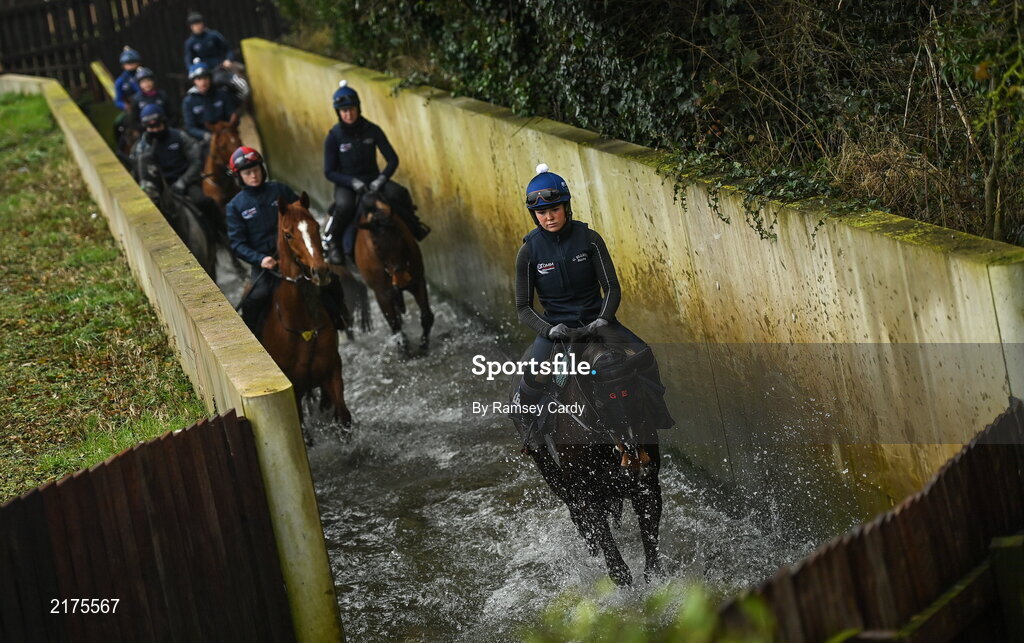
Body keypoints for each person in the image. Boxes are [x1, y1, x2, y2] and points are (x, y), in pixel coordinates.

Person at [512, 163, 674, 429]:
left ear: (566, 207)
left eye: (554, 209)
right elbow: (523, 308)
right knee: (531, 379)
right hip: (557, 331)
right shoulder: (529, 252)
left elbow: (612, 287)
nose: (549, 217)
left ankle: (657, 414)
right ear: (534, 215)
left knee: (645, 355)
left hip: (598, 325)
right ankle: (533, 434)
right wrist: (549, 330)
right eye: (541, 212)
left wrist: (603, 319)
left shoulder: (590, 239)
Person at [225, 146, 348, 334]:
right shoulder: (235, 206)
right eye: (248, 173)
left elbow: (302, 217)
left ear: (262, 169)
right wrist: (260, 259)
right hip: (266, 264)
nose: (253, 176)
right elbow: (237, 244)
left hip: (296, 256)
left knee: (331, 281)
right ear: (239, 176)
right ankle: (256, 339)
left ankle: (339, 320)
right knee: (253, 299)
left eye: (256, 170)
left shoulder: (279, 189)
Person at [321, 80, 430, 265]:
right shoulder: (334, 136)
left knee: (399, 193)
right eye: (344, 111)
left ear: (358, 108)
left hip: (373, 179)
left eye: (352, 109)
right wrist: (352, 182)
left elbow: (393, 159)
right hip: (348, 183)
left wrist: (381, 179)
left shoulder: (372, 130)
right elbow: (329, 172)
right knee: (345, 205)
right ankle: (334, 243)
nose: (348, 114)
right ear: (338, 113)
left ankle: (414, 226)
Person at [130, 104, 220, 227]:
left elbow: (196, 162)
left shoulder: (180, 137)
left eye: (158, 125)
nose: (155, 130)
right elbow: (138, 175)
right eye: (151, 127)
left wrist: (183, 181)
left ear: (164, 122)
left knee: (203, 201)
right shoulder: (140, 148)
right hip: (159, 188)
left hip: (185, 182)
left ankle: (221, 235)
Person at [181, 59, 239, 145]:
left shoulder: (221, 94)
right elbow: (190, 127)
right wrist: (204, 135)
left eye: (205, 78)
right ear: (193, 81)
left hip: (226, 133)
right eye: (199, 79)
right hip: (205, 139)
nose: (203, 82)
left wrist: (230, 126)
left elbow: (231, 114)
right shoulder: (189, 101)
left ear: (210, 78)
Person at [114, 47, 141, 111]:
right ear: (123, 65)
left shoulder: (144, 74)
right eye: (127, 63)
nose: (130, 65)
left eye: (133, 62)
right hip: (133, 107)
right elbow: (118, 101)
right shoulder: (120, 81)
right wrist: (126, 106)